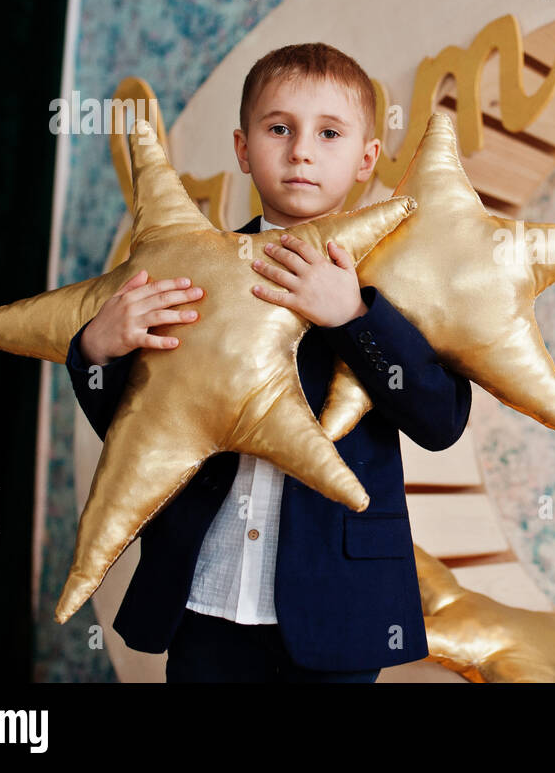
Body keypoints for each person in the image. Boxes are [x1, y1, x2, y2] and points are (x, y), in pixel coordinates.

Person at [65, 42, 472, 682]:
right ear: (242, 148)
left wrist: (352, 320)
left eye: (329, 133)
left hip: (336, 607)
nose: (301, 150)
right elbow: (134, 423)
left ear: (367, 158)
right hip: (205, 596)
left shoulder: (392, 282)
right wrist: (96, 350)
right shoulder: (194, 272)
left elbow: (440, 420)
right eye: (278, 128)